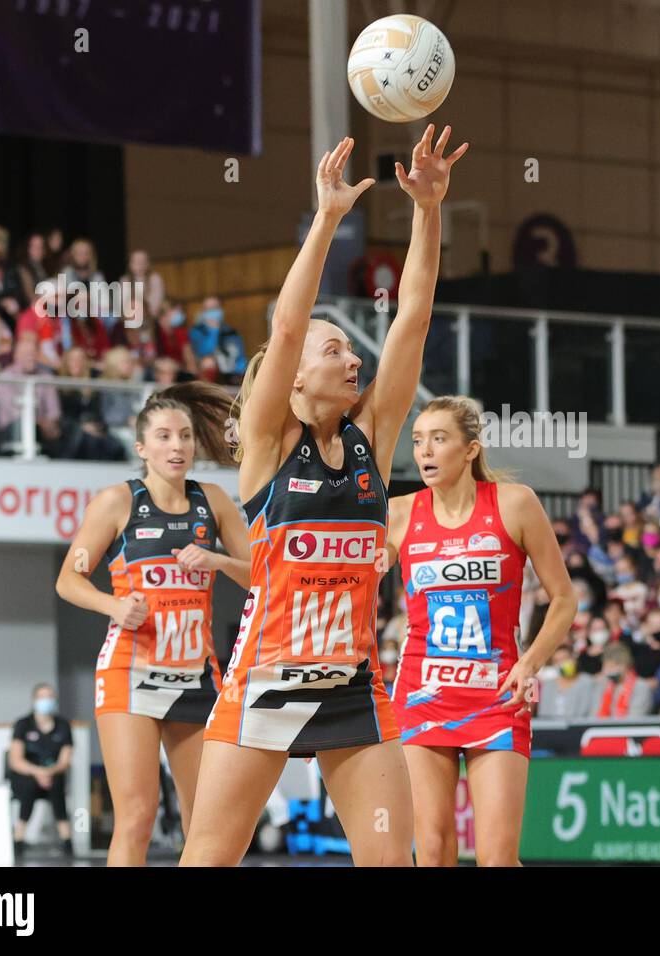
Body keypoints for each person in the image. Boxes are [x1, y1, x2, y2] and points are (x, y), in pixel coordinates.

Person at [180, 129, 467, 868]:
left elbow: (413, 318)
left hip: (353, 689)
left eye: (348, 348)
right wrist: (328, 219)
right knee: (207, 859)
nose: (353, 358)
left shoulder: (373, 434)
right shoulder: (269, 447)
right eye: (332, 349)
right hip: (265, 685)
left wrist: (429, 211)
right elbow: (283, 326)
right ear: (295, 377)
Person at [56, 383, 250, 865]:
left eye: (185, 436)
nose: (177, 446)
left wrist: (219, 562)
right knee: (138, 817)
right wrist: (112, 606)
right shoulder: (117, 502)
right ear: (141, 448)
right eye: (164, 436)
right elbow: (68, 579)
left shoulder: (214, 502)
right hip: (131, 675)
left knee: (204, 822)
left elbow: (263, 576)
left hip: (197, 678)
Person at [385, 395, 574, 866]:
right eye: (418, 441)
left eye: (439, 439)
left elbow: (565, 599)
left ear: (470, 449)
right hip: (421, 692)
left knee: (497, 858)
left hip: (497, 696)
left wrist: (529, 663)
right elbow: (356, 588)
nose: (424, 451)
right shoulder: (401, 512)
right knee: (432, 851)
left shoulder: (515, 503)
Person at [7, 684, 74, 858]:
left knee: (57, 784)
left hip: (53, 774)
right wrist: (37, 772)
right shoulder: (23, 724)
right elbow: (15, 760)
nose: (46, 701)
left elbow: (65, 760)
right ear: (34, 700)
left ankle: (67, 841)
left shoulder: (63, 725)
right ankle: (19, 839)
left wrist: (49, 772)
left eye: (50, 697)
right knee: (29, 786)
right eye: (42, 697)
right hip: (27, 774)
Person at [533, 645, 593, 719]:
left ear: (573, 658)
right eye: (557, 661)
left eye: (565, 658)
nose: (562, 663)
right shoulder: (548, 685)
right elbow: (543, 713)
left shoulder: (587, 682)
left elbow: (587, 712)